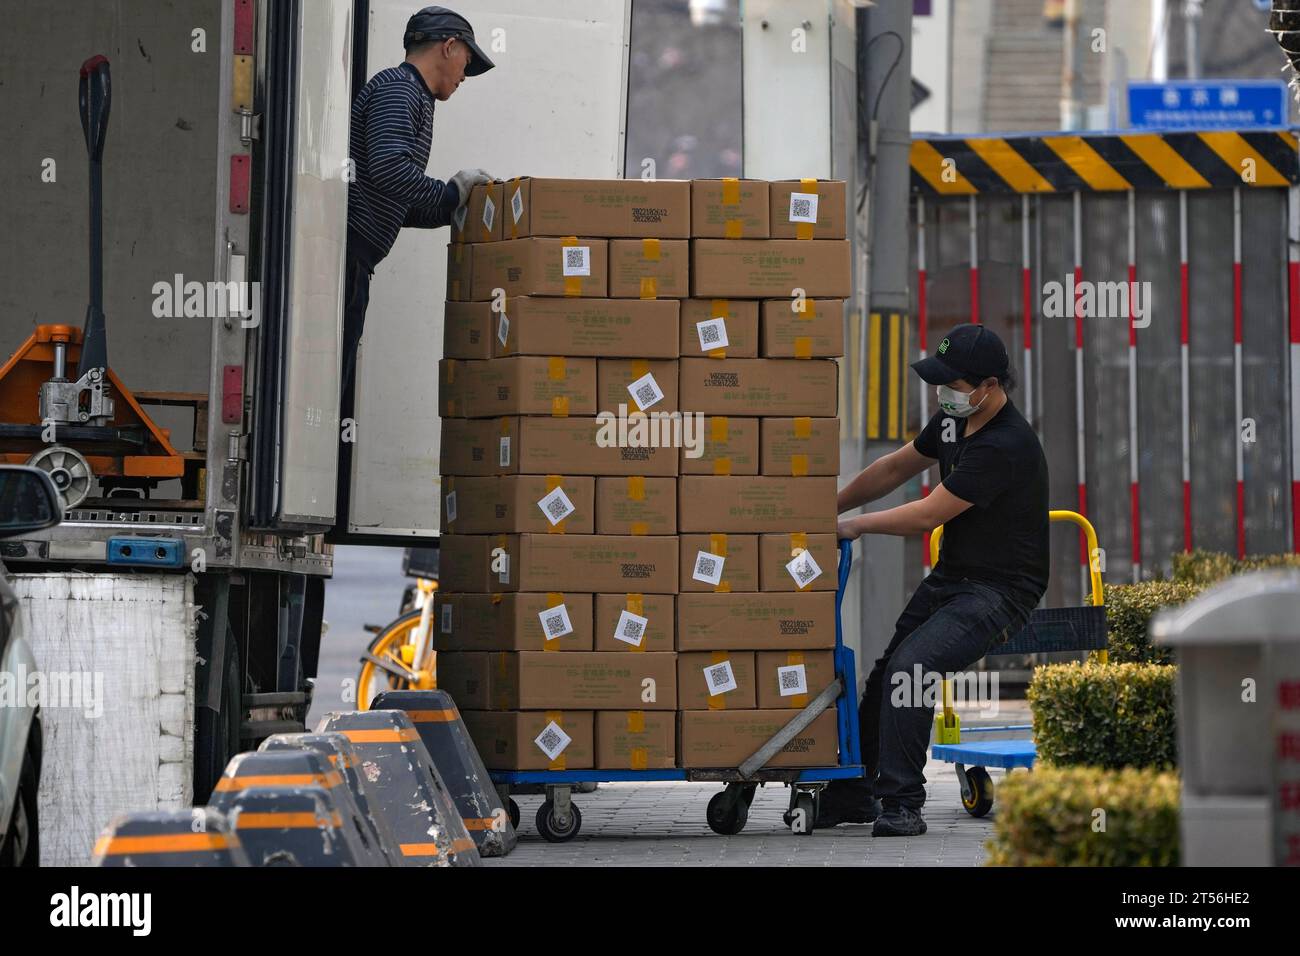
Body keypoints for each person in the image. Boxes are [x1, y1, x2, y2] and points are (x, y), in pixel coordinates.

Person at [818, 323, 1050, 836]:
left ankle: (903, 804)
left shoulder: (1005, 444)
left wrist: (852, 525)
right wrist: (825, 505)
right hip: (954, 576)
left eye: (953, 384)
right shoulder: (951, 419)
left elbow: (927, 515)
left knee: (912, 668)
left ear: (989, 385)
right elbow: (894, 468)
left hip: (1001, 590)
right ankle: (857, 791)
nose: (942, 393)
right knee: (885, 677)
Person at [342, 5, 496, 402]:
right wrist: (449, 192)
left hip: (356, 261)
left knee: (336, 382)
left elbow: (397, 200)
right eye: (467, 59)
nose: (466, 73)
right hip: (348, 260)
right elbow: (390, 170)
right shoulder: (400, 88)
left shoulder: (412, 94)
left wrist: (456, 210)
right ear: (449, 46)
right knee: (331, 386)